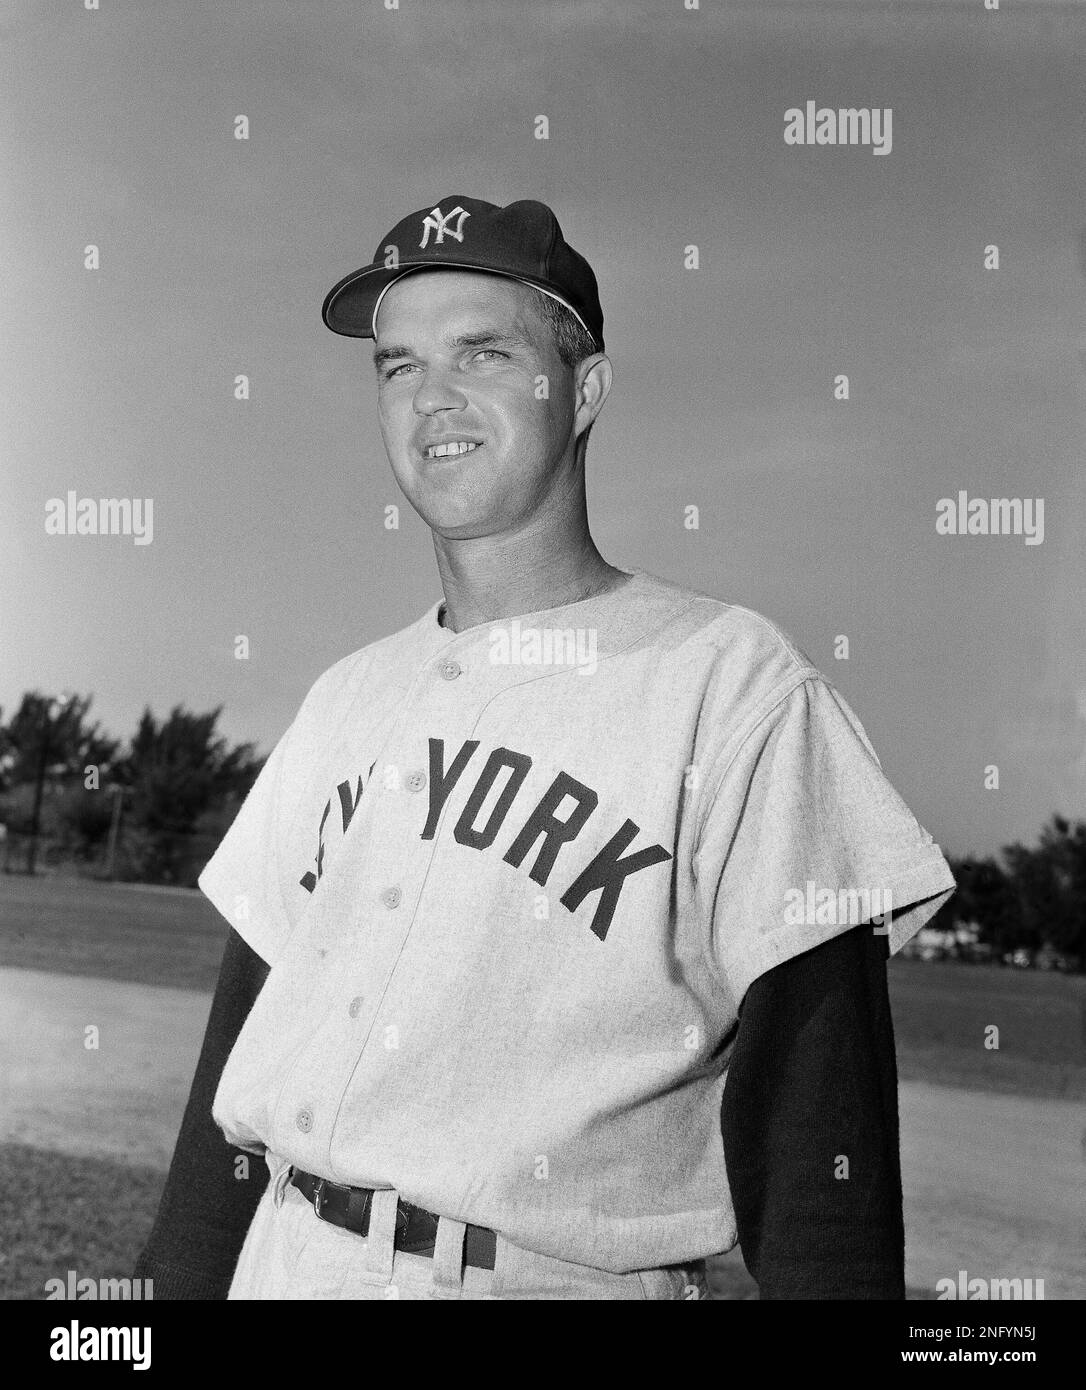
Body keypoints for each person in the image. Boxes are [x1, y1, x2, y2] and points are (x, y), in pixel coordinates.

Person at [134, 195, 955, 1300]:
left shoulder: (732, 687)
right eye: (397, 365)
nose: (432, 399)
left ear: (583, 390)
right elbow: (230, 1096)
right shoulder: (345, 699)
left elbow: (825, 1160)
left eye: (483, 352)